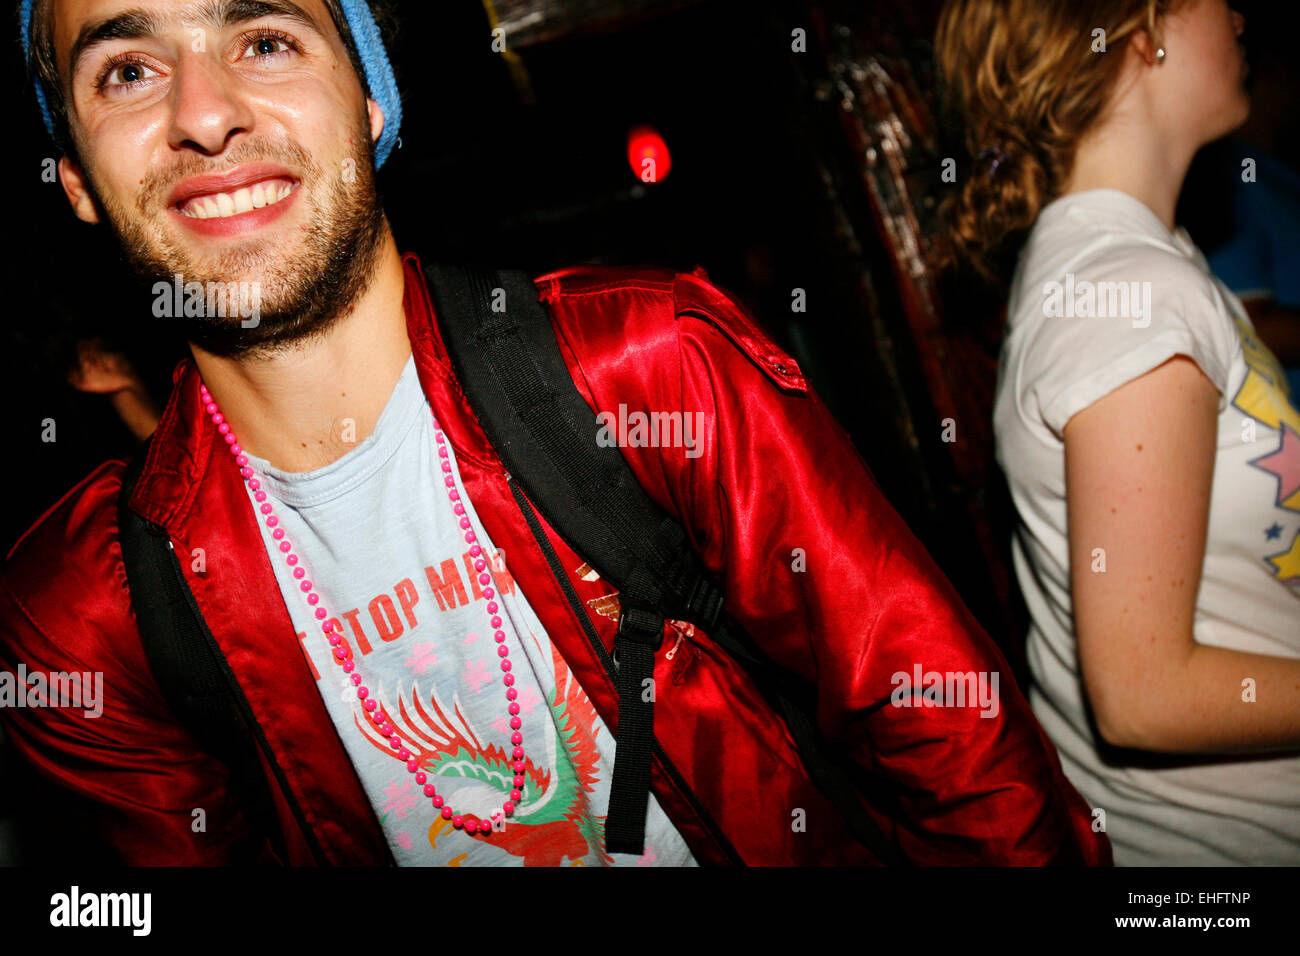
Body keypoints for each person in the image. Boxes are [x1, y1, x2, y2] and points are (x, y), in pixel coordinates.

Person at [0, 0, 1108, 866]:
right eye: (129, 70)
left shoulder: (646, 365)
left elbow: (951, 742)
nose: (203, 112)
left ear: (371, 104)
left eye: (267, 40)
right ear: (77, 181)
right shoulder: (82, 613)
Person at [936, 0, 1300, 864]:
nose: (1243, 16)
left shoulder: (1137, 261)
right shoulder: (1128, 292)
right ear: (1141, 29)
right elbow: (1144, 693)